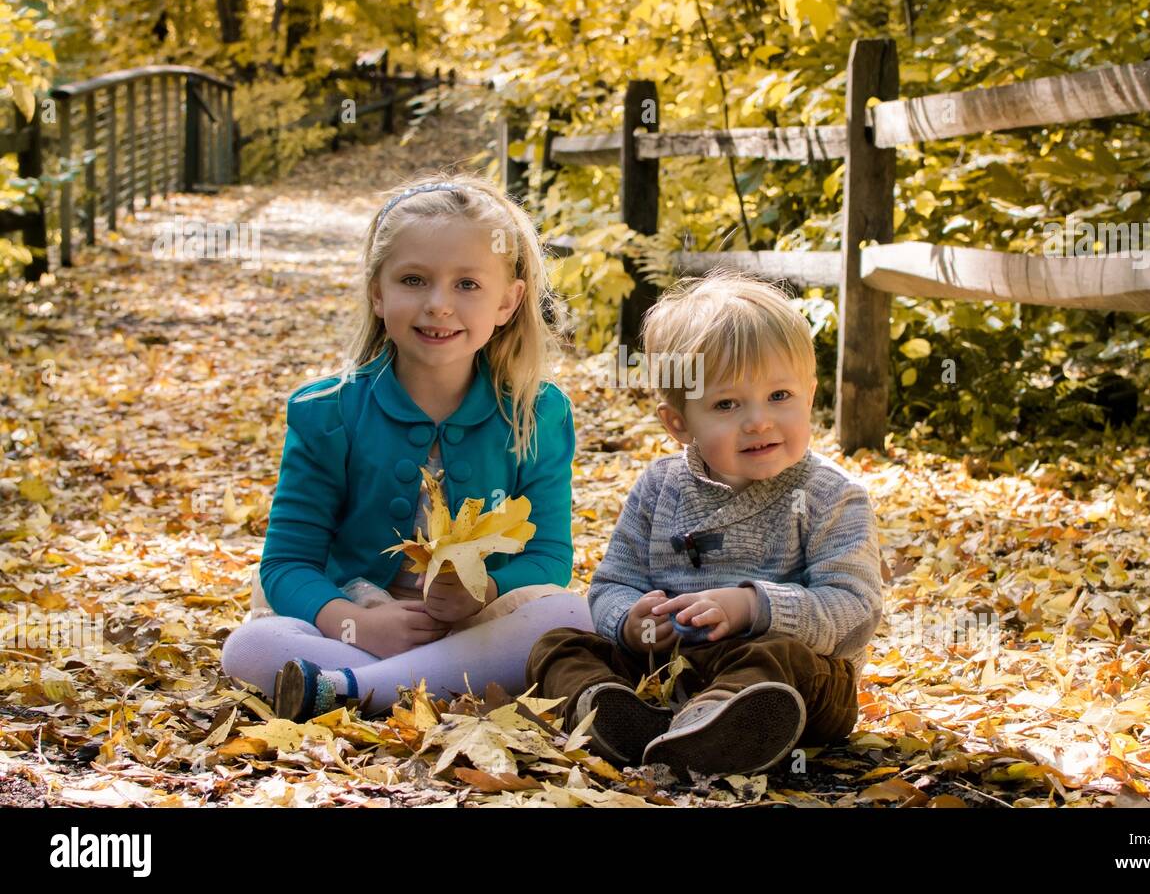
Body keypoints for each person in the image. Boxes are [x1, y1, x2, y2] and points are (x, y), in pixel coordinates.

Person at [222, 173, 593, 722]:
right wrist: (355, 621)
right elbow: (287, 563)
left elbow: (550, 558)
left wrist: (484, 588)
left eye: (468, 285)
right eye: (414, 280)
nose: (439, 305)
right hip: (355, 619)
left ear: (508, 302)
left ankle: (348, 689)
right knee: (250, 647)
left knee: (570, 617)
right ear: (378, 291)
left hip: (478, 620)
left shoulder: (537, 414)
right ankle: (429, 680)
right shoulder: (326, 412)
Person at [526, 270, 883, 780]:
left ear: (809, 394)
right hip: (670, 667)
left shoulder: (830, 494)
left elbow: (855, 612)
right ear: (679, 423)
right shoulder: (659, 486)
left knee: (780, 658)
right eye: (727, 405)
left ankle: (722, 725)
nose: (758, 421)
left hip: (788, 675)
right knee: (559, 644)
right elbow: (612, 584)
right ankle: (610, 715)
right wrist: (632, 621)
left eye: (779, 396)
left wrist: (755, 607)